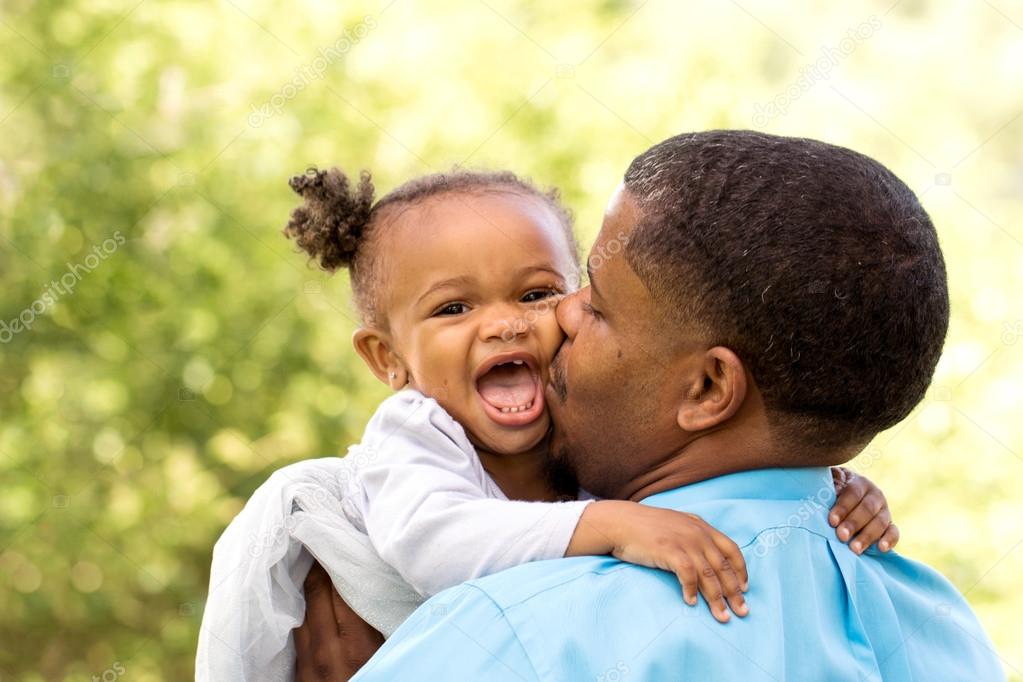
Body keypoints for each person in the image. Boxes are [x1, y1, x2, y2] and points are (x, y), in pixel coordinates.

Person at [299, 131, 1005, 681]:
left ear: (705, 390)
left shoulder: (508, 638)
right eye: (454, 307)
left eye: (592, 305)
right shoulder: (943, 629)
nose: (558, 317)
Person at [197, 164, 896, 681]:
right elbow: (434, 542)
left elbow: (723, 458)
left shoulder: (579, 423)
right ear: (387, 359)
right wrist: (610, 527)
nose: (504, 324)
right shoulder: (412, 435)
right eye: (452, 309)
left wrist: (831, 485)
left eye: (537, 293)